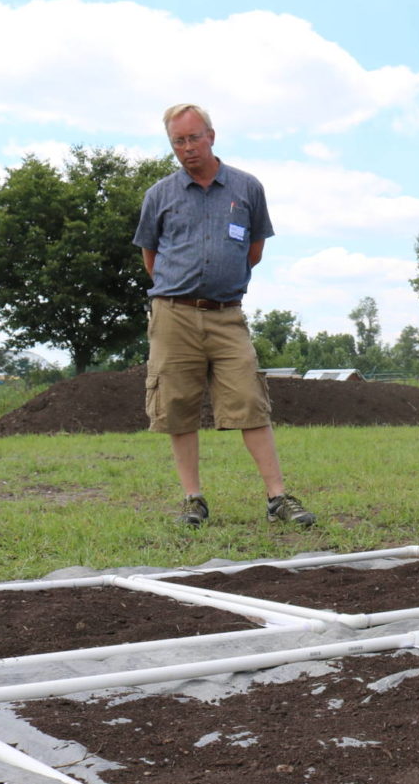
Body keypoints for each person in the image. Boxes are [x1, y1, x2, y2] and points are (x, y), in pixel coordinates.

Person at [135, 104, 315, 528]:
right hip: (172, 314)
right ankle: (193, 500)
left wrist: (221, 282)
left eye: (194, 138)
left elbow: (254, 250)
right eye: (178, 141)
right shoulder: (159, 195)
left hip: (227, 315)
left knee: (250, 400)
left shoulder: (247, 188)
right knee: (176, 406)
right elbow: (150, 256)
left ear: (211, 136)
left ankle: (278, 499)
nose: (187, 148)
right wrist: (179, 290)